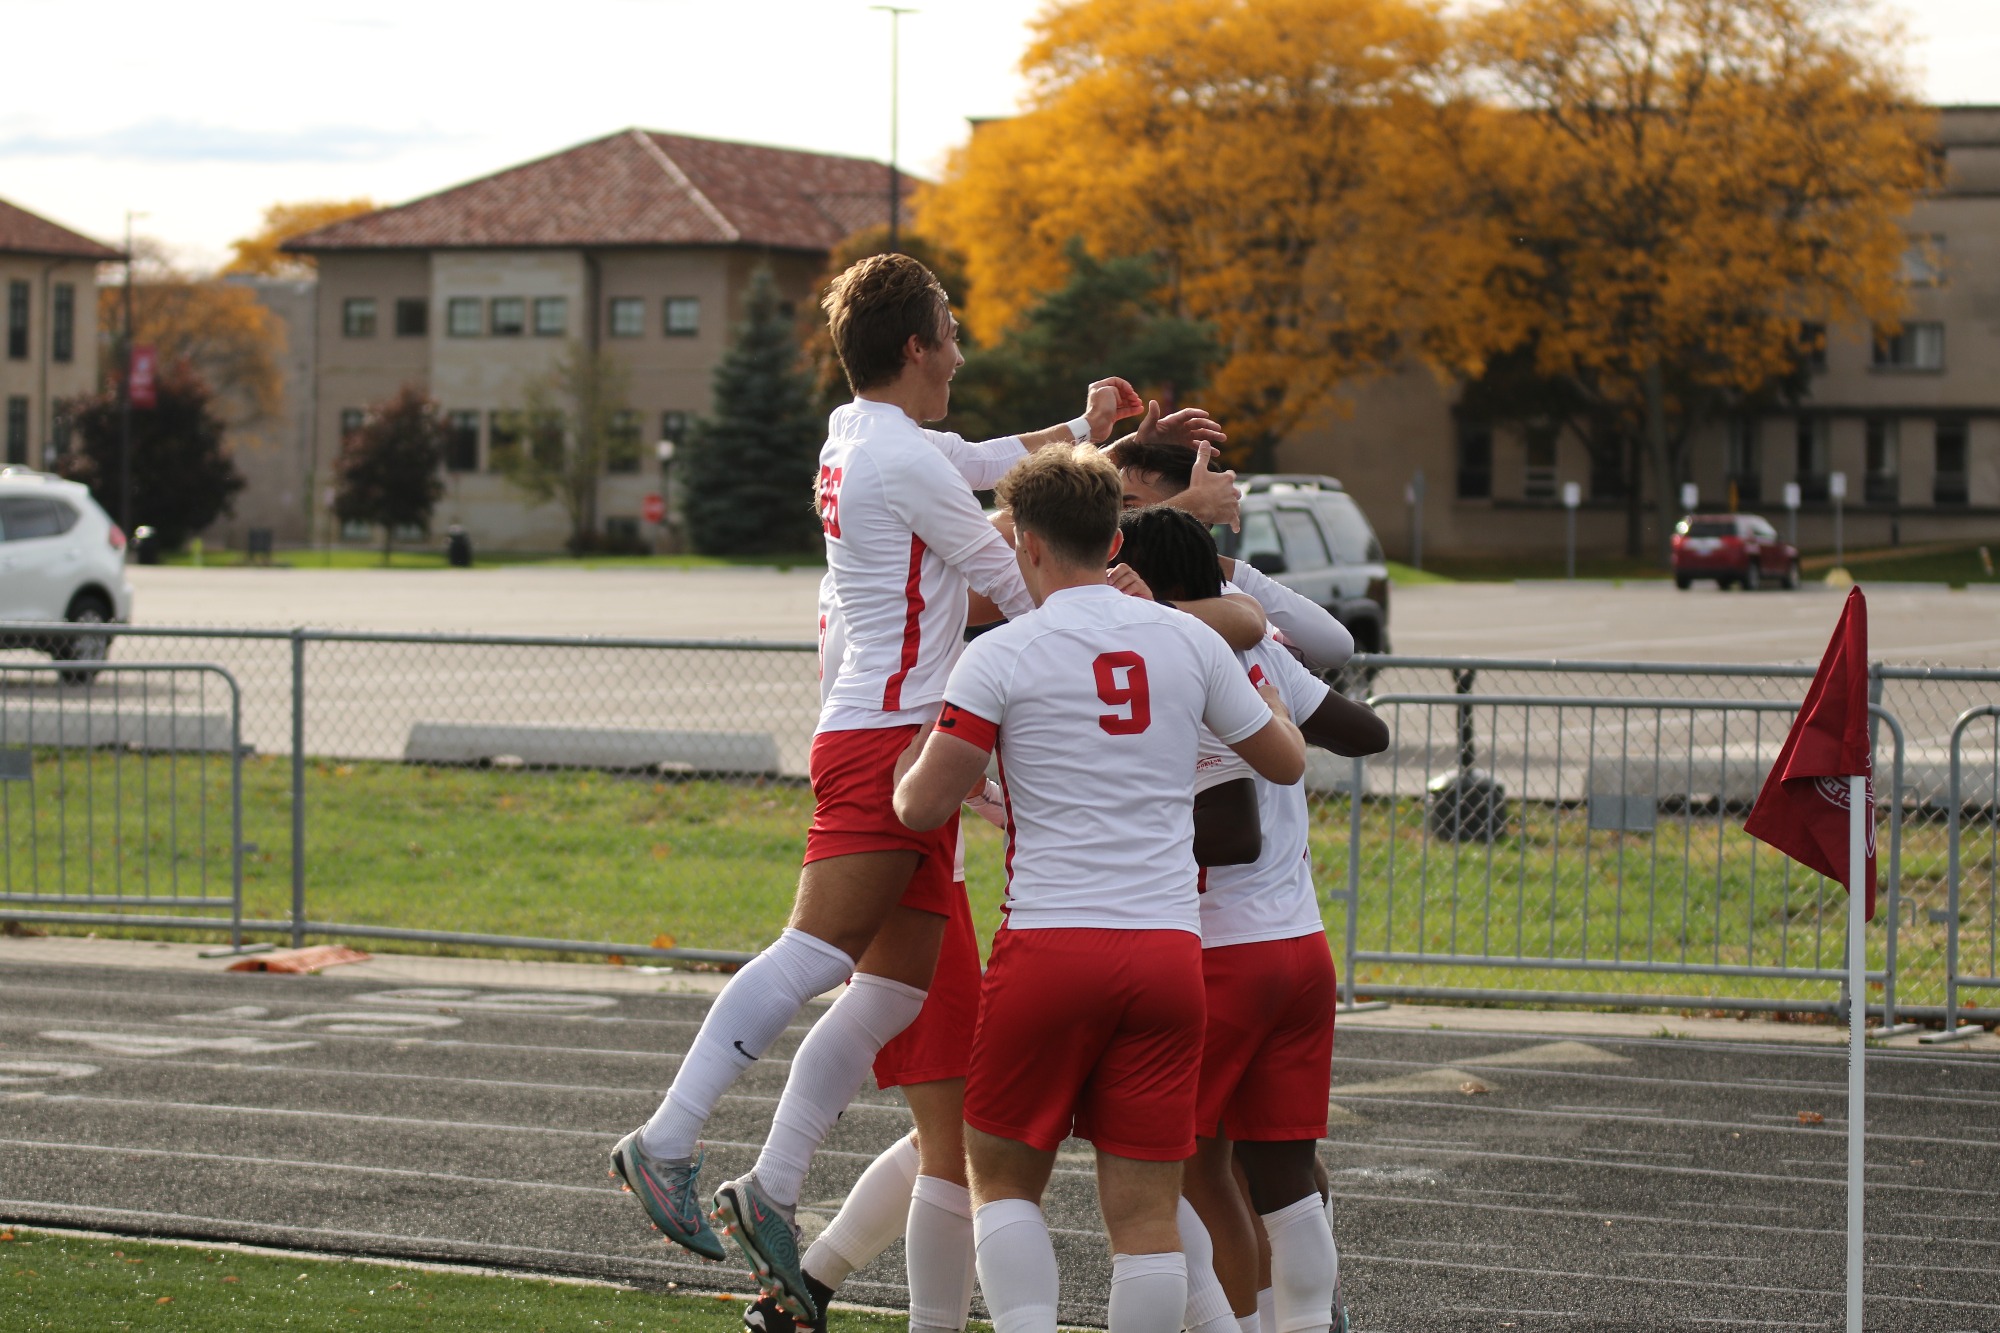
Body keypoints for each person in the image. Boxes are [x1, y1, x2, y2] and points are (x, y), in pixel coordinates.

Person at [611, 252, 1164, 1322]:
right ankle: (666, 1140)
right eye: (950, 333)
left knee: (897, 989)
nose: (959, 353)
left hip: (889, 734)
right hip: (882, 740)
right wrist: (1129, 581)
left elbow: (984, 458)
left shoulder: (861, 433)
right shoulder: (901, 461)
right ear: (915, 347)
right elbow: (1012, 578)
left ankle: (769, 1186)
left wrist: (1090, 431)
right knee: (814, 950)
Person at [894, 445, 1307, 1333]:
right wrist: (1252, 687)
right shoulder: (1189, 639)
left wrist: (910, 768)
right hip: (1165, 951)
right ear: (1114, 537)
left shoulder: (1002, 654)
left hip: (1051, 941)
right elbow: (1285, 756)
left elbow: (923, 799)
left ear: (1028, 547)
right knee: (1148, 1215)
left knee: (1001, 1180)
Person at [1112, 506, 1388, 1333]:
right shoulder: (1256, 648)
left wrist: (1115, 815)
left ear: (1151, 586)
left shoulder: (1184, 658)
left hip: (1221, 944)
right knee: (1285, 1178)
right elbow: (1365, 730)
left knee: (1181, 1173)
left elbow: (1230, 830)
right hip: (1299, 944)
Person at [1106, 439, 1356, 672]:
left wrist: (1205, 556)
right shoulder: (1102, 583)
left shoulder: (1228, 593)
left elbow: (1337, 648)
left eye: (1128, 508)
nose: (1114, 521)